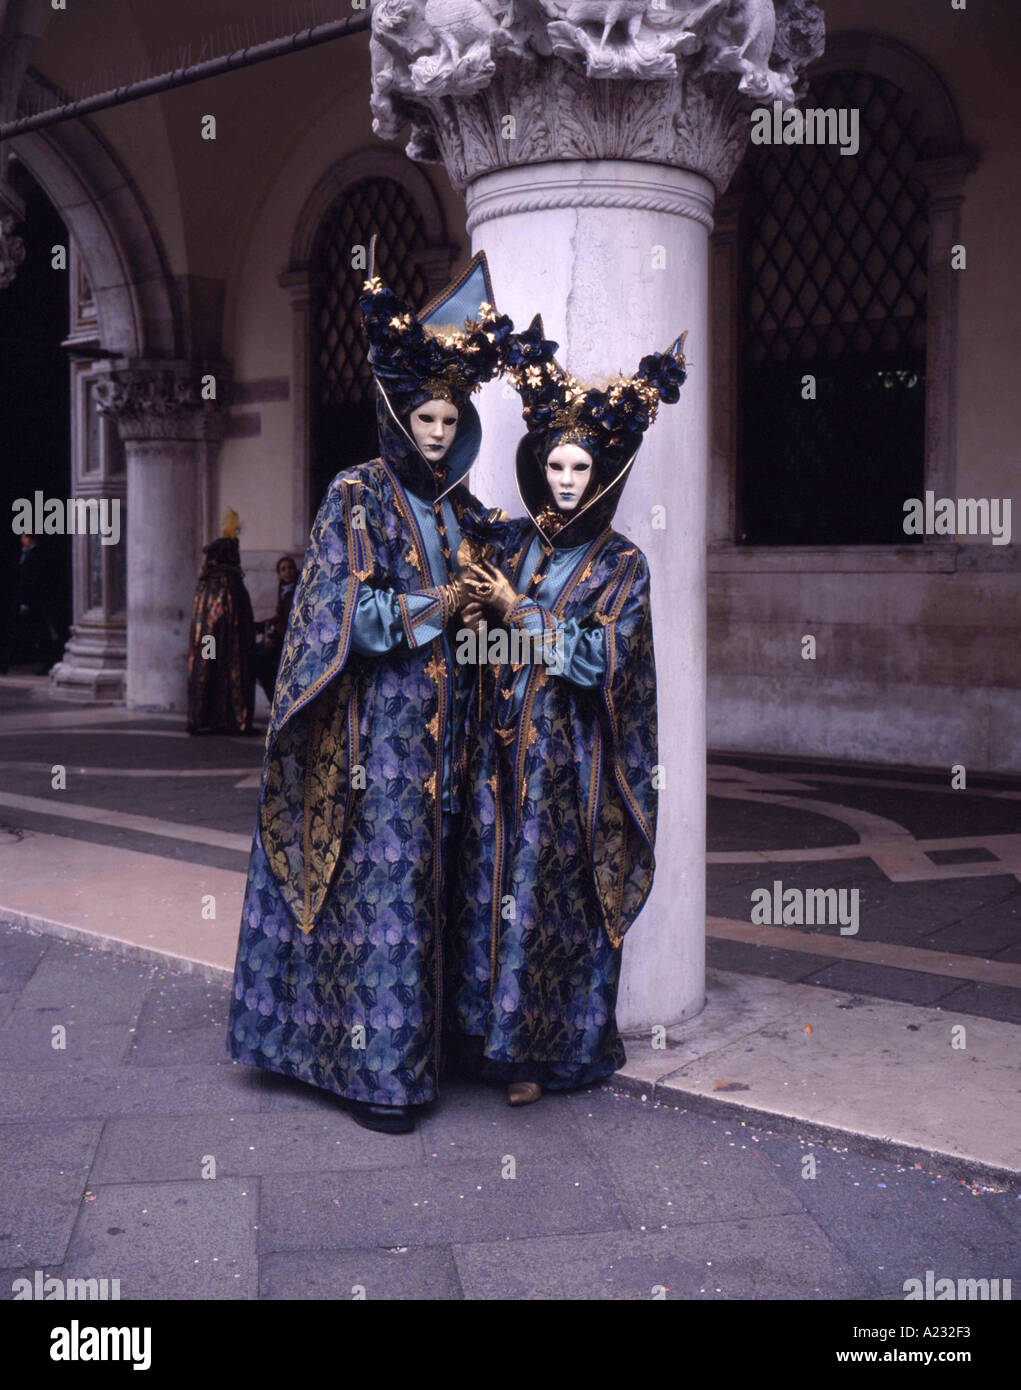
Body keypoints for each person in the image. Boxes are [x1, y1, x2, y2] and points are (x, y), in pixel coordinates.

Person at [226, 242, 510, 1134]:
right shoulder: (357, 495)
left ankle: (442, 1048)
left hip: (451, 731)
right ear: (394, 412)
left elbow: (494, 612)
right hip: (375, 736)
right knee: (383, 890)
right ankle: (377, 1075)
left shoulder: (465, 512)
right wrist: (440, 603)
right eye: (421, 416)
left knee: (447, 881)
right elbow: (342, 619)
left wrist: (497, 603)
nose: (434, 431)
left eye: (447, 418)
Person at [444, 315, 687, 1105]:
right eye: (554, 463)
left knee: (547, 899)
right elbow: (474, 635)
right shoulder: (512, 543)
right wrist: (475, 615)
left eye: (581, 465)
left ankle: (536, 1055)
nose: (567, 479)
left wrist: (520, 614)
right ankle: (475, 1038)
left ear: (604, 469)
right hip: (495, 756)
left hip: (567, 770)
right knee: (482, 887)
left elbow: (604, 663)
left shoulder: (623, 564)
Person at [186, 511, 257, 735]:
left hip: (208, 644)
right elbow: (233, 620)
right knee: (231, 670)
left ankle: (205, 716)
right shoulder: (228, 582)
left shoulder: (207, 582)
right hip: (225, 644)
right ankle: (235, 718)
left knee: (207, 671)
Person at [254, 554, 299, 702]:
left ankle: (276, 702)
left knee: (262, 662)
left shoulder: (298, 589)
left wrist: (275, 632)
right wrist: (259, 626)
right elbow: (280, 616)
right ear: (279, 573)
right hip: (281, 636)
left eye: (290, 568)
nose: (288, 572)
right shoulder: (284, 589)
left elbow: (290, 618)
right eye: (283, 569)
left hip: (291, 640)